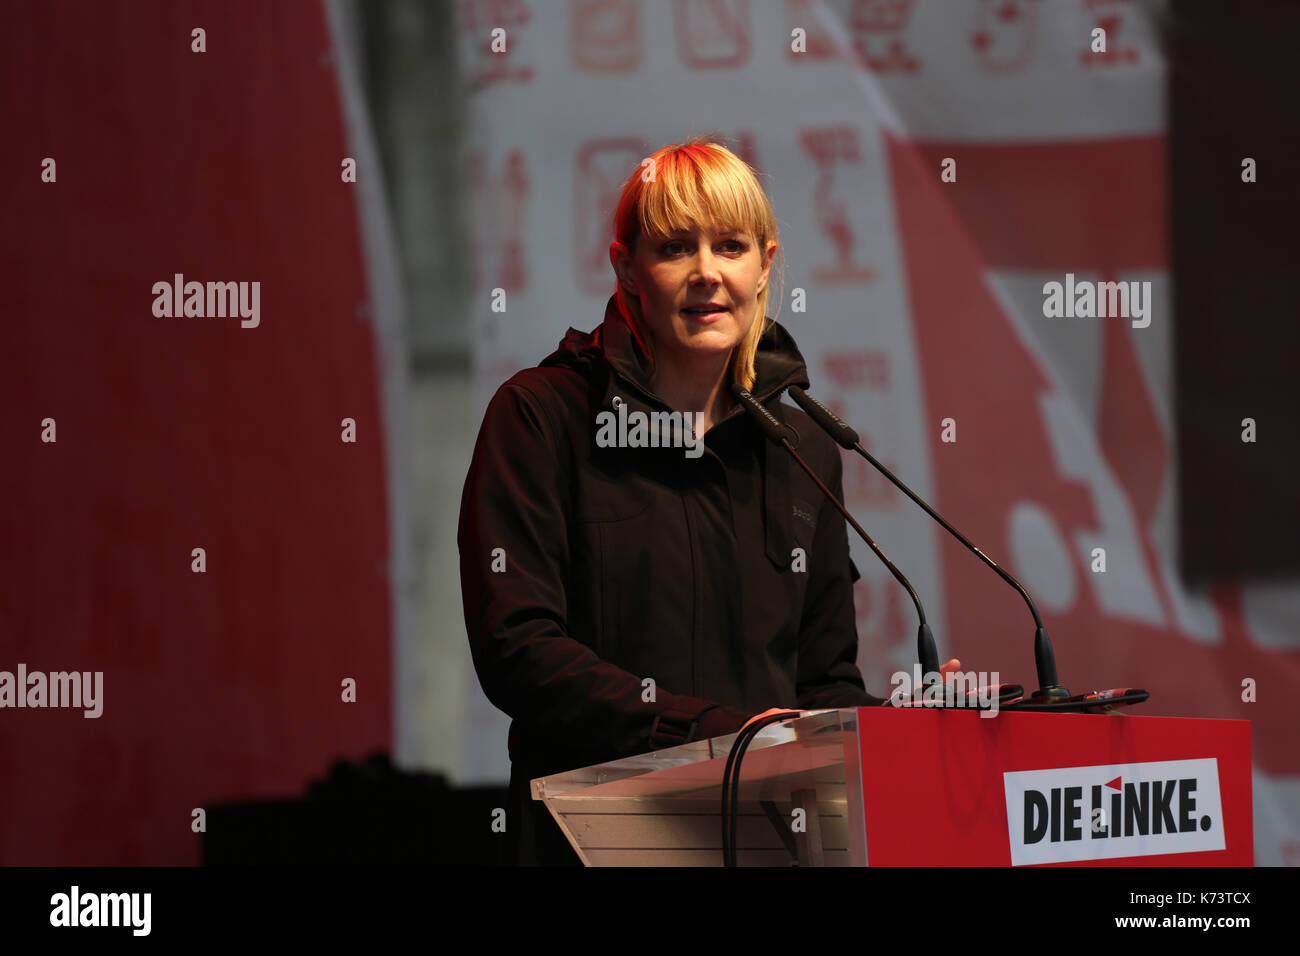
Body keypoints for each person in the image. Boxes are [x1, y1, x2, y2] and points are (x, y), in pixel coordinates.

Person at [458, 138, 886, 867]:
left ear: (765, 266)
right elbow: (519, 650)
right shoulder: (542, 417)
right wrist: (716, 738)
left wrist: (920, 726)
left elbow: (824, 684)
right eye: (675, 247)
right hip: (593, 846)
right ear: (626, 267)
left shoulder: (802, 447)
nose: (707, 273)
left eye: (731, 247)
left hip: (767, 846)